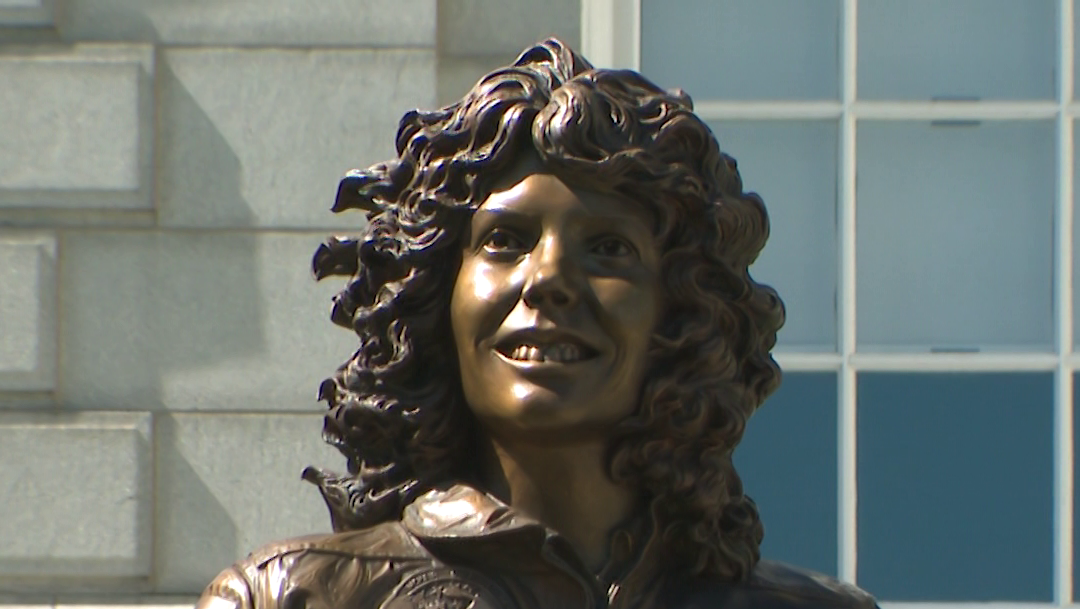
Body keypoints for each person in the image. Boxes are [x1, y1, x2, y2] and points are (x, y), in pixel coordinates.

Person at [197, 39, 876, 609]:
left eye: (608, 248)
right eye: (504, 241)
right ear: (432, 296)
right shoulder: (289, 599)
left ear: (683, 314)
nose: (548, 279)